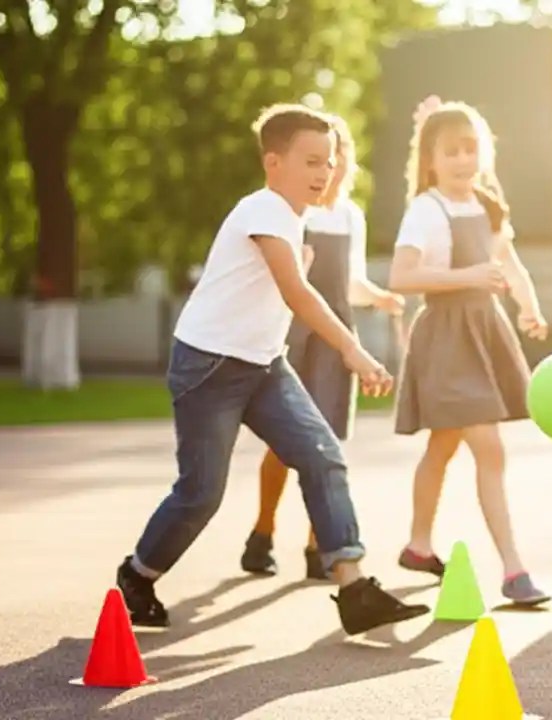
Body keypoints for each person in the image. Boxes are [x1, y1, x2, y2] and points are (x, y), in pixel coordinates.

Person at [114, 104, 428, 636]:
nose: (323, 173)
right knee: (200, 495)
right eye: (311, 161)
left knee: (322, 454)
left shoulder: (294, 218)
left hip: (262, 363)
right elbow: (296, 293)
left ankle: (353, 588)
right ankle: (137, 574)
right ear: (273, 162)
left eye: (328, 162)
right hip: (208, 366)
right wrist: (353, 350)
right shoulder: (263, 209)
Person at [388, 97, 551, 606]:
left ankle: (418, 545)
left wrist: (529, 306)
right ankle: (513, 568)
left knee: (444, 446)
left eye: (471, 148)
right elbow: (401, 277)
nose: (463, 159)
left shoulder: (487, 207)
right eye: (452, 151)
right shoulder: (424, 210)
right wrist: (467, 277)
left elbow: (510, 264)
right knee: (487, 446)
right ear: (431, 160)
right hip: (445, 338)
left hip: (485, 331)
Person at [240, 115, 406, 580]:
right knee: (284, 438)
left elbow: (349, 282)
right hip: (295, 332)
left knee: (328, 439)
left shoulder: (351, 216)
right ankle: (263, 531)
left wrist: (380, 297)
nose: (330, 168)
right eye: (318, 160)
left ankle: (319, 545)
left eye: (337, 158)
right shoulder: (293, 212)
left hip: (336, 337)